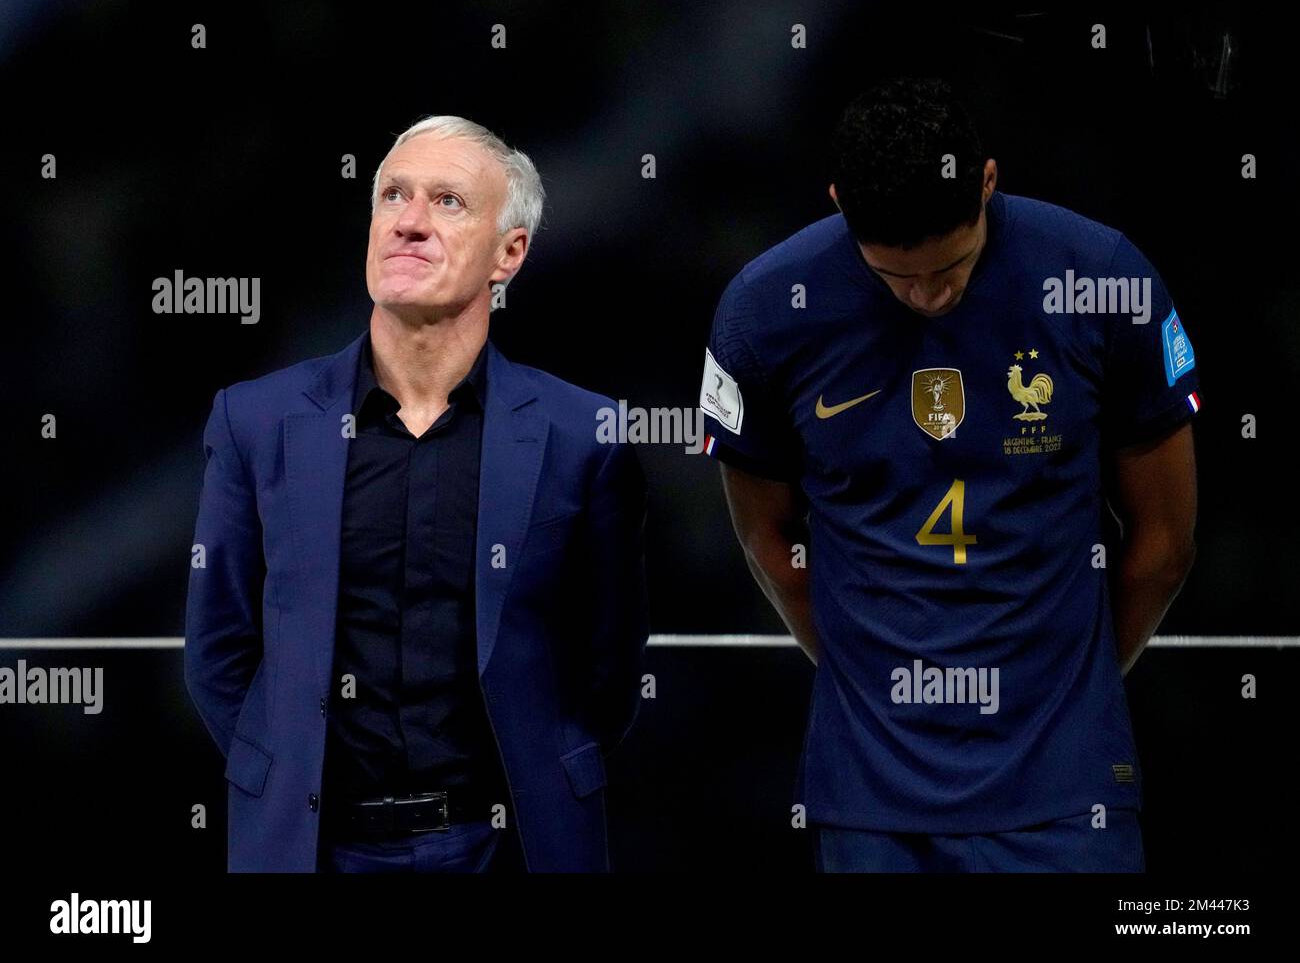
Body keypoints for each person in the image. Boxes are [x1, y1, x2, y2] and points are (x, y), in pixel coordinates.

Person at [699, 78, 1199, 872]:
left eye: (952, 266)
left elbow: (1165, 542)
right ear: (838, 204)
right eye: (898, 278)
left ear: (989, 182)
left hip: (1068, 792)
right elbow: (767, 539)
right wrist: (872, 680)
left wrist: (1074, 686)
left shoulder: (1104, 279)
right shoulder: (762, 313)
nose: (930, 297)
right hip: (869, 798)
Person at [185, 115, 648, 872]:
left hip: (508, 849)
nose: (409, 222)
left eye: (448, 202)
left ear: (511, 253)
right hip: (311, 850)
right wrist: (285, 774)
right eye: (393, 196)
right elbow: (216, 651)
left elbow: (609, 667)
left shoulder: (583, 432)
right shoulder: (256, 419)